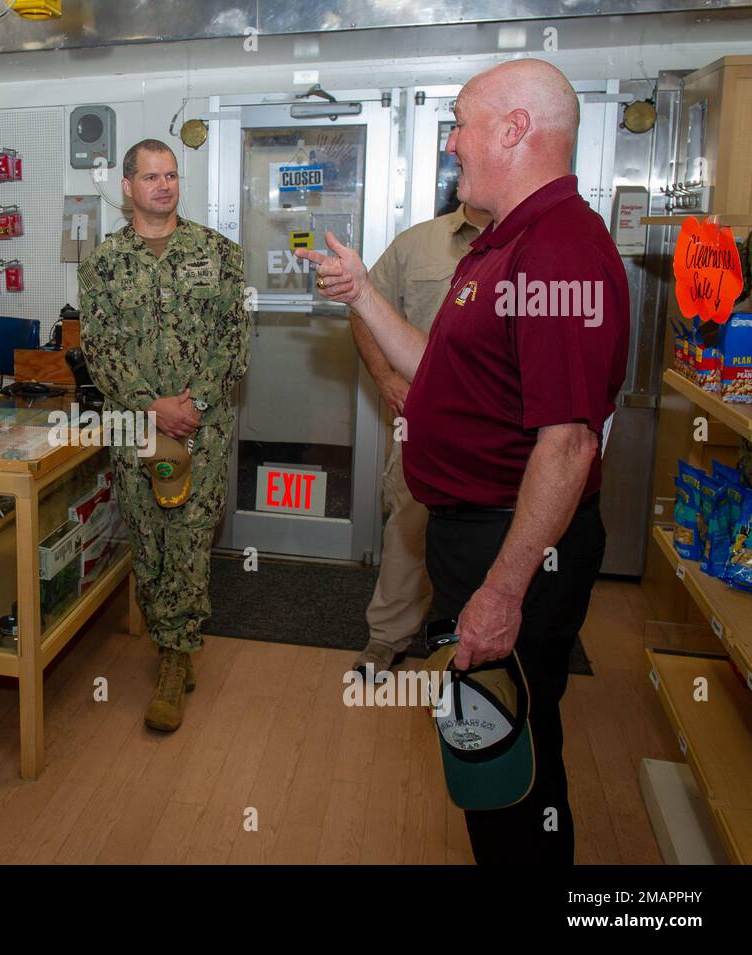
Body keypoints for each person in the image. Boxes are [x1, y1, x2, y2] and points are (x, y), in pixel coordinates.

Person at [301, 58, 627, 864]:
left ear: (515, 130)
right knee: (486, 741)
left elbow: (569, 442)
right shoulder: (502, 245)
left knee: (507, 760)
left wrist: (502, 591)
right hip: (473, 537)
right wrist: (362, 294)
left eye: (462, 123)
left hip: (511, 546)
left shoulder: (558, 250)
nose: (452, 145)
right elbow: (440, 369)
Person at [79, 138, 250, 732]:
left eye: (171, 175)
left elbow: (234, 343)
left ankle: (176, 661)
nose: (163, 186)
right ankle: (169, 638)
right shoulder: (102, 263)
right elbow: (98, 351)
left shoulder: (218, 253)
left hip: (201, 431)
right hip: (135, 429)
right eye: (150, 177)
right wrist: (152, 406)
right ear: (127, 187)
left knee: (188, 540)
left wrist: (192, 405)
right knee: (147, 543)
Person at [350, 202, 490, 681]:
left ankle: (479, 652)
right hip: (424, 426)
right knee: (409, 528)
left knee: (492, 541)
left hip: (502, 434)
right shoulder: (418, 243)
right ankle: (386, 639)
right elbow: (363, 307)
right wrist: (384, 375)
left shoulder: (531, 241)